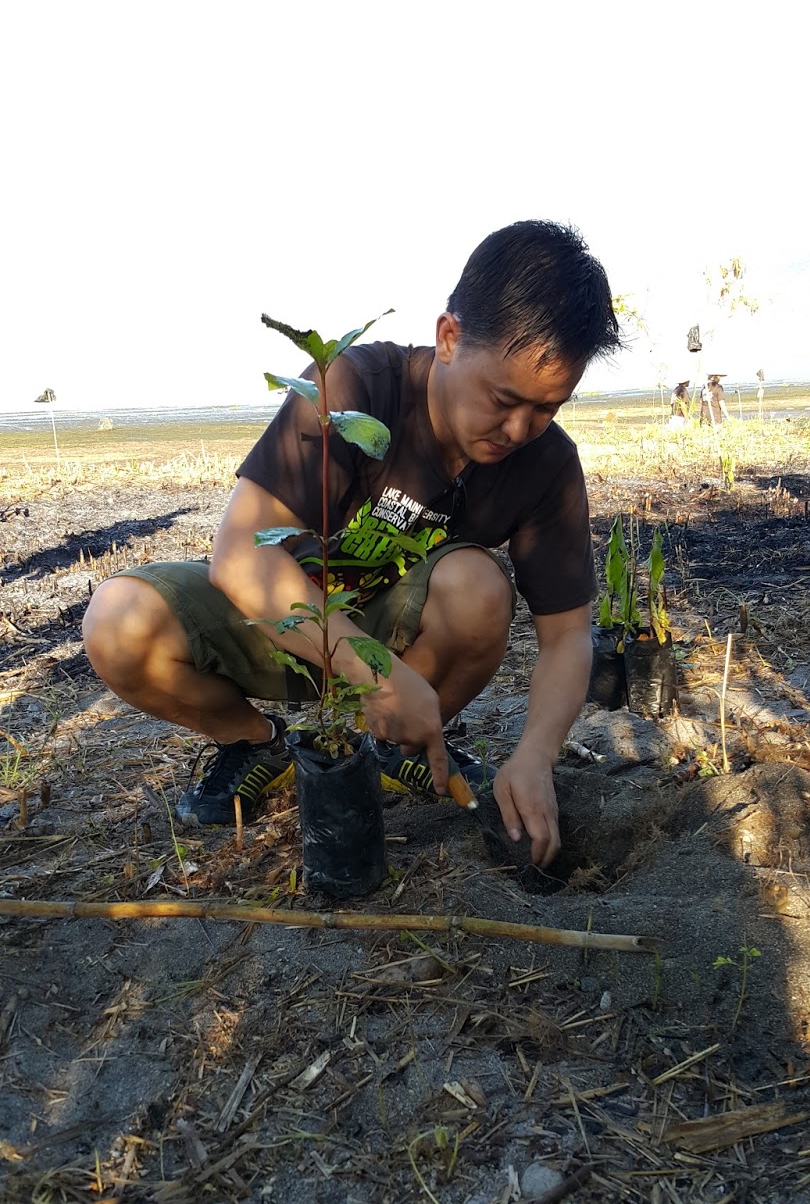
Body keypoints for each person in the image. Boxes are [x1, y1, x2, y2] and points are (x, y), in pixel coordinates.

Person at [82, 221, 621, 869]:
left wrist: (535, 754)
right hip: (290, 618)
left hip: (400, 645)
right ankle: (257, 743)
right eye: (503, 399)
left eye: (547, 409)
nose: (518, 429)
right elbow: (241, 553)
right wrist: (374, 671)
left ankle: (388, 750)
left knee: (479, 588)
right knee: (118, 621)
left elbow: (567, 637)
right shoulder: (355, 390)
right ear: (449, 337)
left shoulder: (545, 465)